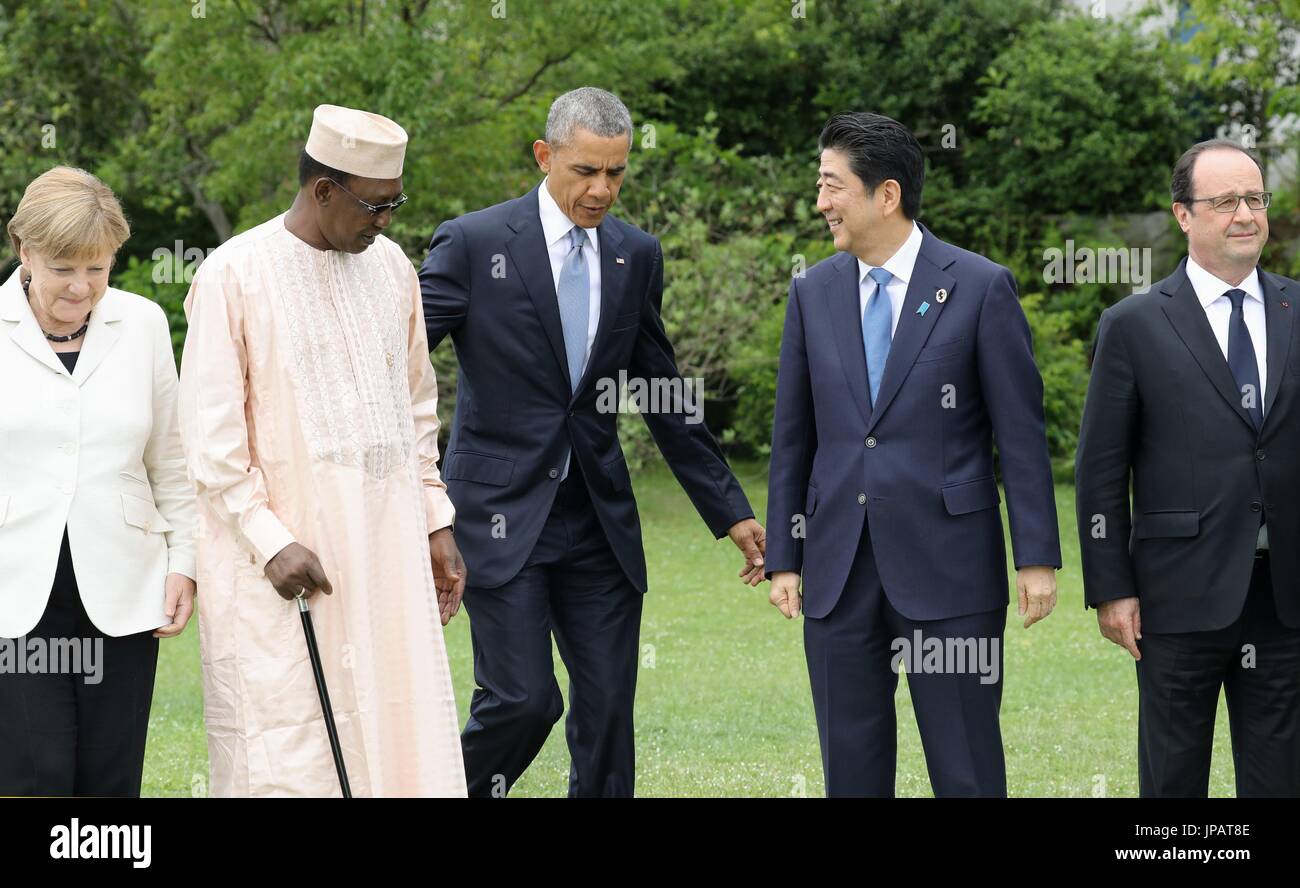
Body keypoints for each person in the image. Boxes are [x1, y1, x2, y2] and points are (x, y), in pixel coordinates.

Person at [419, 86, 766, 798]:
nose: (602, 190)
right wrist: (422, 502)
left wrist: (731, 510)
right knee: (522, 701)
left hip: (600, 524)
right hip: (499, 515)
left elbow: (664, 393)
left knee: (608, 713)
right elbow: (397, 370)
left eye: (616, 173)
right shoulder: (474, 241)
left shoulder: (636, 255)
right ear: (545, 156)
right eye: (585, 171)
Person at [765, 112, 1061, 797]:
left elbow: (1020, 435)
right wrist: (785, 556)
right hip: (838, 571)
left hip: (951, 570)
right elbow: (792, 438)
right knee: (852, 771)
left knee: (966, 768)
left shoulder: (981, 286)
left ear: (886, 195)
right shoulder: (812, 293)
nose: (821, 203)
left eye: (832, 186)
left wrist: (1037, 559)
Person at [178, 104, 467, 797]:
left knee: (399, 740)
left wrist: (435, 520)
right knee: (291, 753)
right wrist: (270, 539)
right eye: (375, 206)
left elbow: (416, 408)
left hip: (386, 553)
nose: (386, 222)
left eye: (396, 205)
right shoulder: (232, 275)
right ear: (324, 192)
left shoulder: (394, 269)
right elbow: (211, 442)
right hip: (282, 564)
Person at [1076, 138, 1300, 797]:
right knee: (1173, 783)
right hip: (1176, 598)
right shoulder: (1135, 325)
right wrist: (1110, 586)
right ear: (1183, 214)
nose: (1245, 214)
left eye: (1255, 199)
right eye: (1225, 200)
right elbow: (1100, 471)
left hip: (1285, 600)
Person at [0, 166, 197, 796]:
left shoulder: (140, 324)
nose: (83, 287)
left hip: (124, 590)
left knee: (111, 785)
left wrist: (184, 561)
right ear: (24, 249)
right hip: (15, 598)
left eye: (99, 268)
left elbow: (172, 458)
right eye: (63, 267)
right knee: (37, 776)